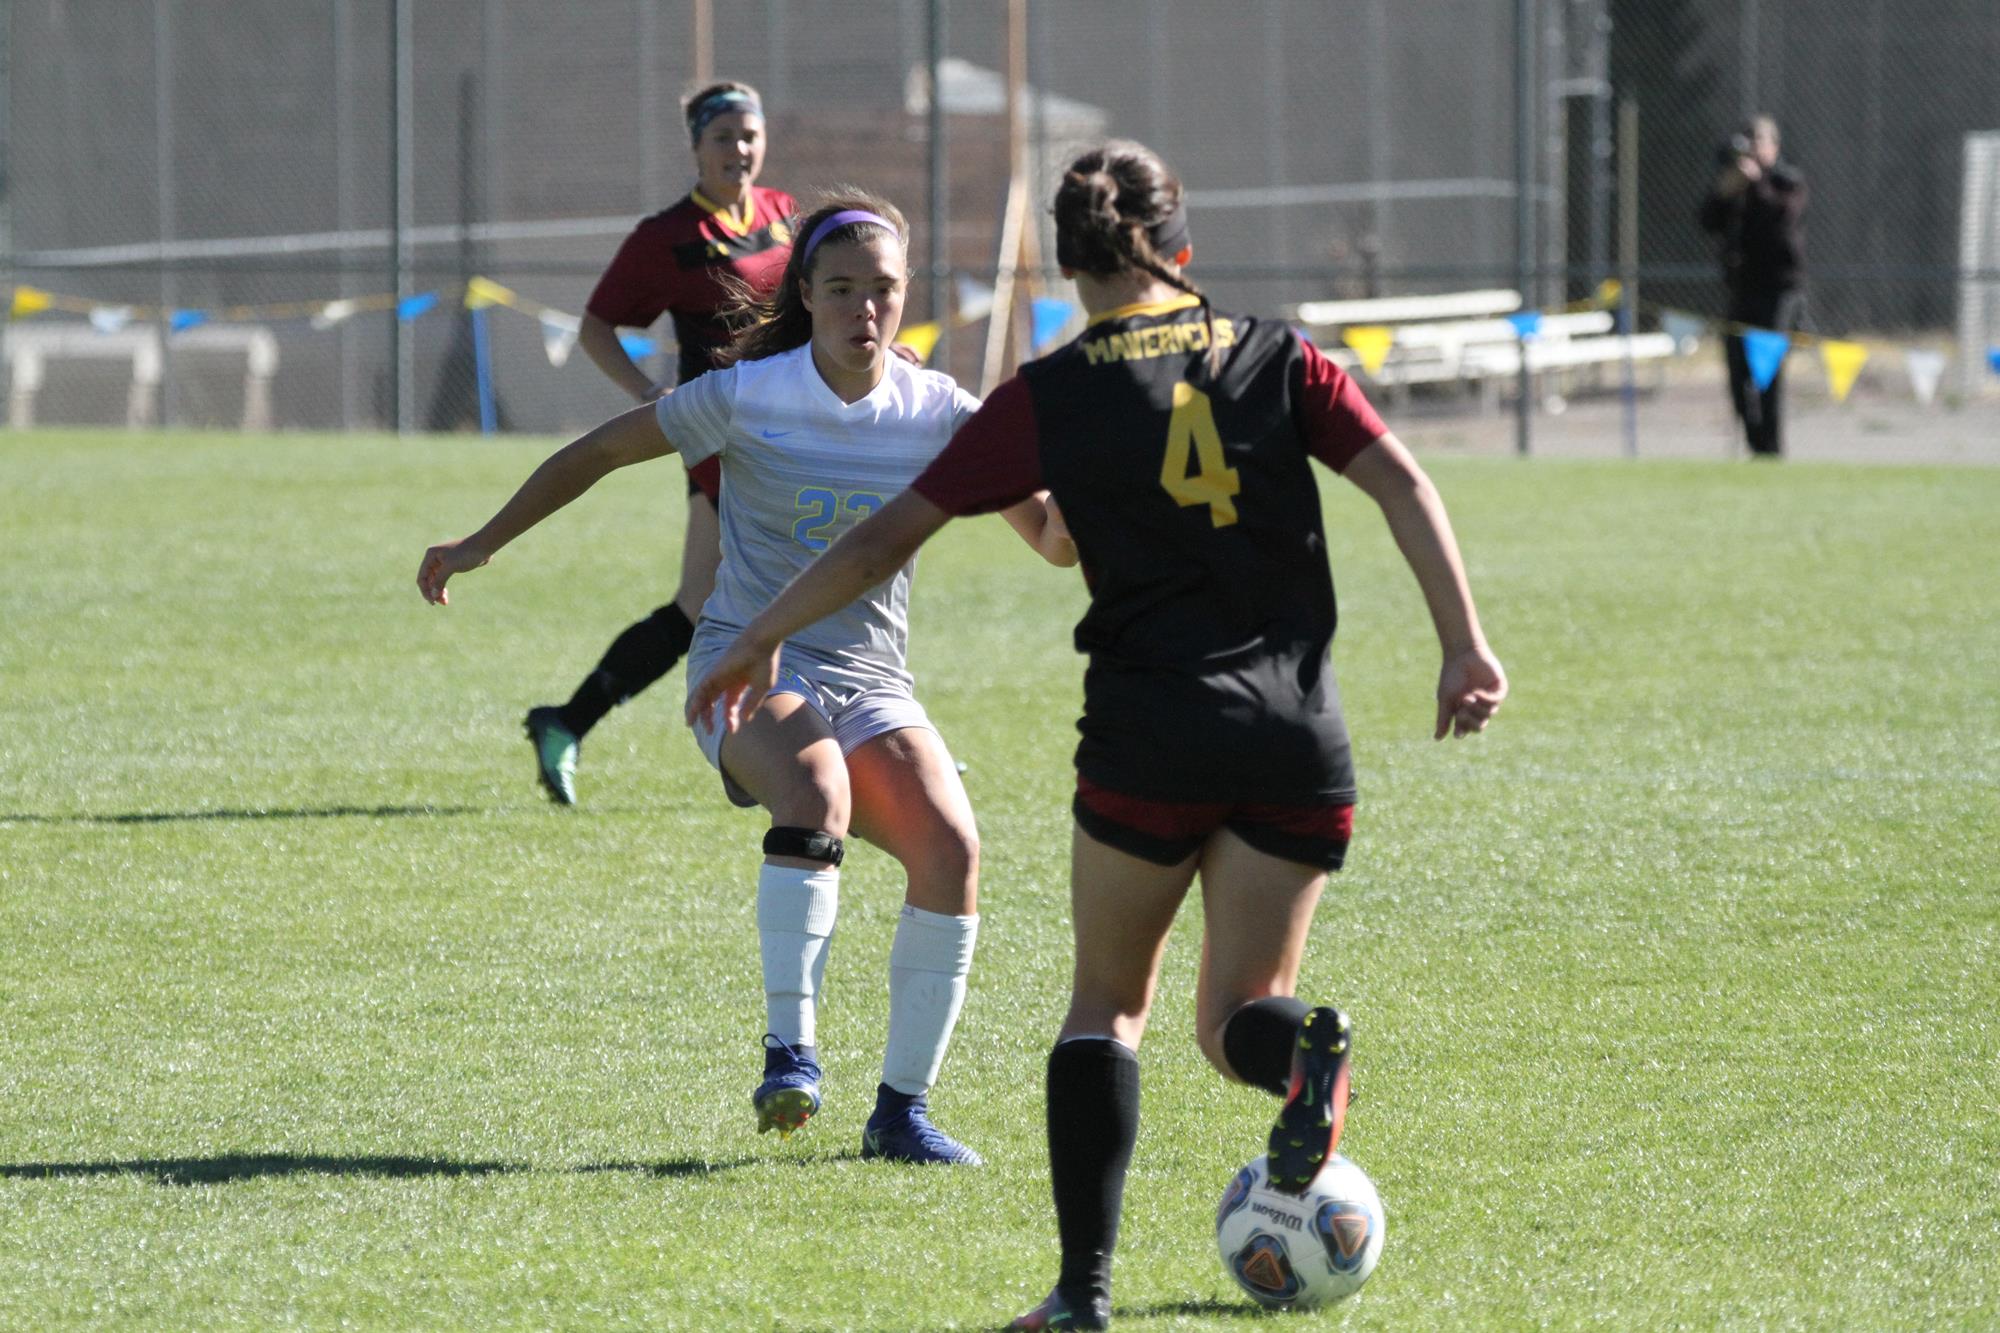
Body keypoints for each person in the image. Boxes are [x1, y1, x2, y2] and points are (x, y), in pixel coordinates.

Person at [686, 141, 1507, 1329]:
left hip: (1148, 733)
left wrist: (757, 635)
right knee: (1233, 1021)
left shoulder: (1049, 393)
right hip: (1295, 733)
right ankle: (1298, 1058)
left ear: (1069, 266)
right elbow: (1402, 483)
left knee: (1104, 1012)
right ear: (1183, 250)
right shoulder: (1281, 358)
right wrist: (1462, 645)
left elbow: (877, 548)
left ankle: (1080, 1295)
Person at [420, 193, 1077, 1166]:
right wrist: (480, 543)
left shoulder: (941, 411)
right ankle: (790, 1056)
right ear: (804, 293)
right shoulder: (749, 393)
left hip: (871, 682)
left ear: (906, 298)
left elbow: (1054, 543)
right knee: (817, 790)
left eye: (883, 291)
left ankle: (899, 1114)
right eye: (842, 288)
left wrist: (1111, 481)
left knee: (951, 848)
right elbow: (600, 451)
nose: (864, 310)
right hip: (742, 663)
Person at [522, 81, 798, 805]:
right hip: (720, 435)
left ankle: (566, 721)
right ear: (696, 148)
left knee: (701, 603)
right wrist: (647, 395)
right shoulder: (667, 236)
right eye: (723, 138)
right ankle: (841, 745)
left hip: (788, 431)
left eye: (749, 135)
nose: (739, 149)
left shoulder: (783, 213)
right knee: (794, 579)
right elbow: (595, 326)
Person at [1698, 114, 1807, 458]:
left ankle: (1772, 449)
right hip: (1741, 291)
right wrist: (1726, 189)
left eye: (1758, 141)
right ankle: (1755, 444)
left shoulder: (1787, 183)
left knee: (1768, 373)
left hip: (1778, 292)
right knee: (1736, 371)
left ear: (1773, 146)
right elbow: (1706, 221)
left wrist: (1758, 184)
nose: (1752, 149)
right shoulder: (1736, 185)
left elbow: (1780, 224)